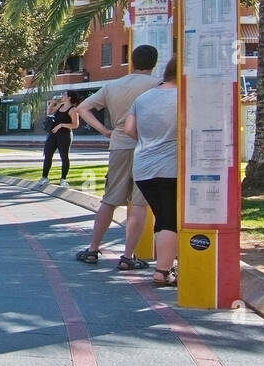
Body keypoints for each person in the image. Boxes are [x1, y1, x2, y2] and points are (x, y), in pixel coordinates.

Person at [73, 44, 159, 268]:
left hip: (119, 144)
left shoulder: (113, 85)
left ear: (132, 61)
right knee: (139, 204)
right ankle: (128, 257)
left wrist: (104, 131)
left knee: (109, 199)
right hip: (148, 146)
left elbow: (82, 108)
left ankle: (92, 249)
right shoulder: (157, 85)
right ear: (154, 62)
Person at [122, 58, 179, 287]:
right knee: (169, 219)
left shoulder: (143, 98)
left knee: (160, 215)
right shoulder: (183, 98)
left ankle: (166, 265)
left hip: (143, 166)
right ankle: (163, 270)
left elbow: (129, 129)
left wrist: (149, 141)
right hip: (170, 166)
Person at [39, 91, 80, 186]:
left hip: (64, 136)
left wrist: (61, 125)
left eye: (64, 94)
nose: (62, 96)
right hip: (53, 134)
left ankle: (63, 179)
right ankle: (44, 177)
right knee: (48, 155)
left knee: (64, 157)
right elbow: (49, 112)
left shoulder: (73, 110)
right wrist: (53, 103)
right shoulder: (60, 105)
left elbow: (75, 125)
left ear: (69, 98)